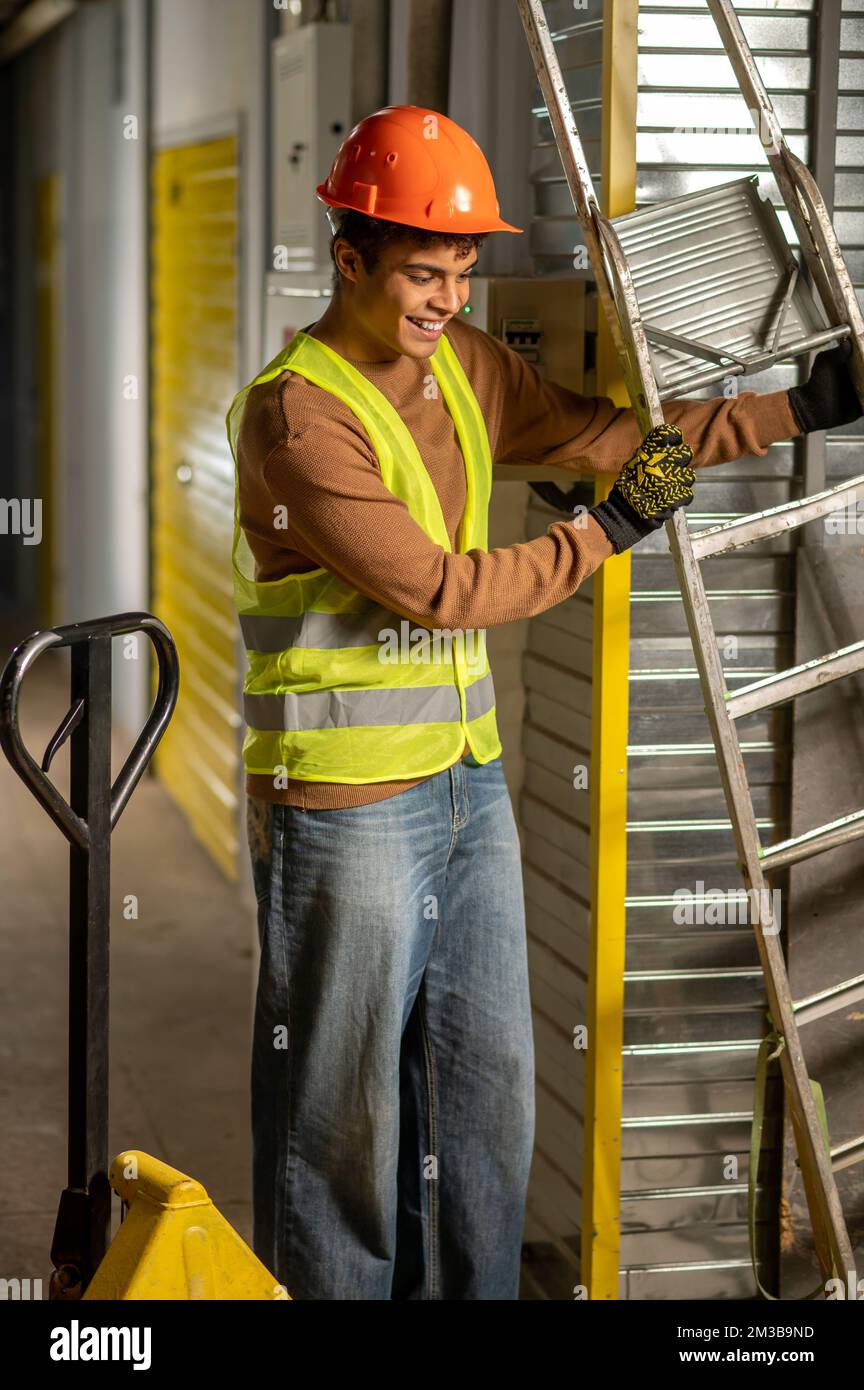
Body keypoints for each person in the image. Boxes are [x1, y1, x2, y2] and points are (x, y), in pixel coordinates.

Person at [227, 105, 862, 1300]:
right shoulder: (294, 416)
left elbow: (616, 439)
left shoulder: (465, 366)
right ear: (348, 258)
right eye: (424, 270)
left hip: (467, 790)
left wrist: (804, 405)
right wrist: (607, 530)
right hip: (344, 806)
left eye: (463, 270)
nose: (447, 298)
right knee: (343, 1123)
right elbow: (441, 590)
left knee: (487, 1098)